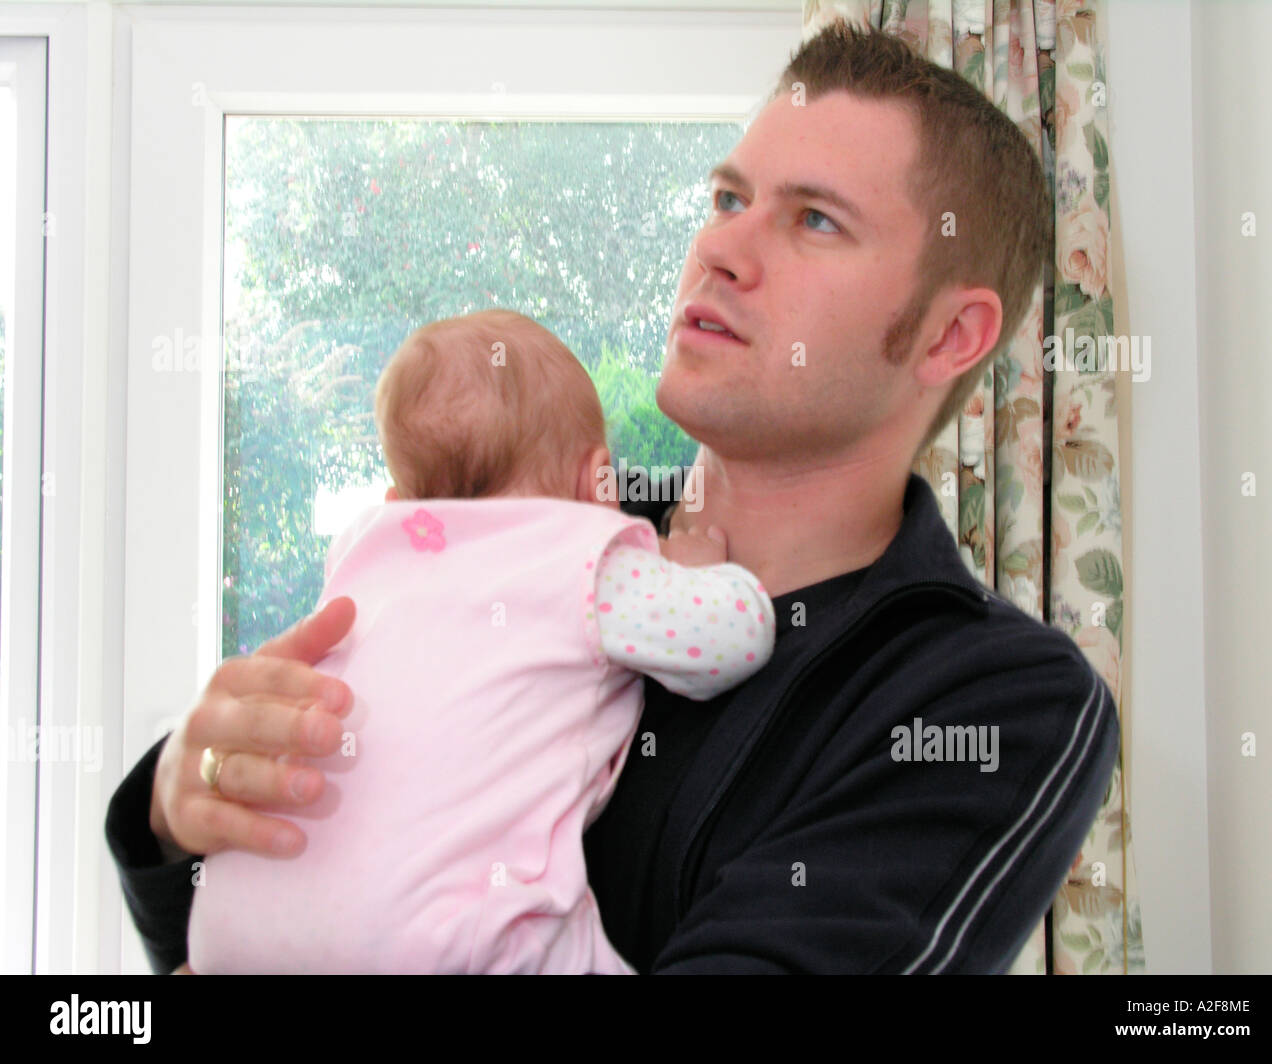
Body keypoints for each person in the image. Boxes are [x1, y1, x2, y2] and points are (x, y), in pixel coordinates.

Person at [107, 21, 1119, 974]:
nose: (721, 249)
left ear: (949, 337)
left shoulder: (989, 697)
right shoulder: (527, 526)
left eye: (813, 219)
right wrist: (173, 808)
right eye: (727, 198)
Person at [182, 310, 773, 973]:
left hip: (234, 930)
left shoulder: (365, 553)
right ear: (596, 480)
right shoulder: (581, 551)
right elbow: (733, 637)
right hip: (444, 939)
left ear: (400, 498)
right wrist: (695, 574)